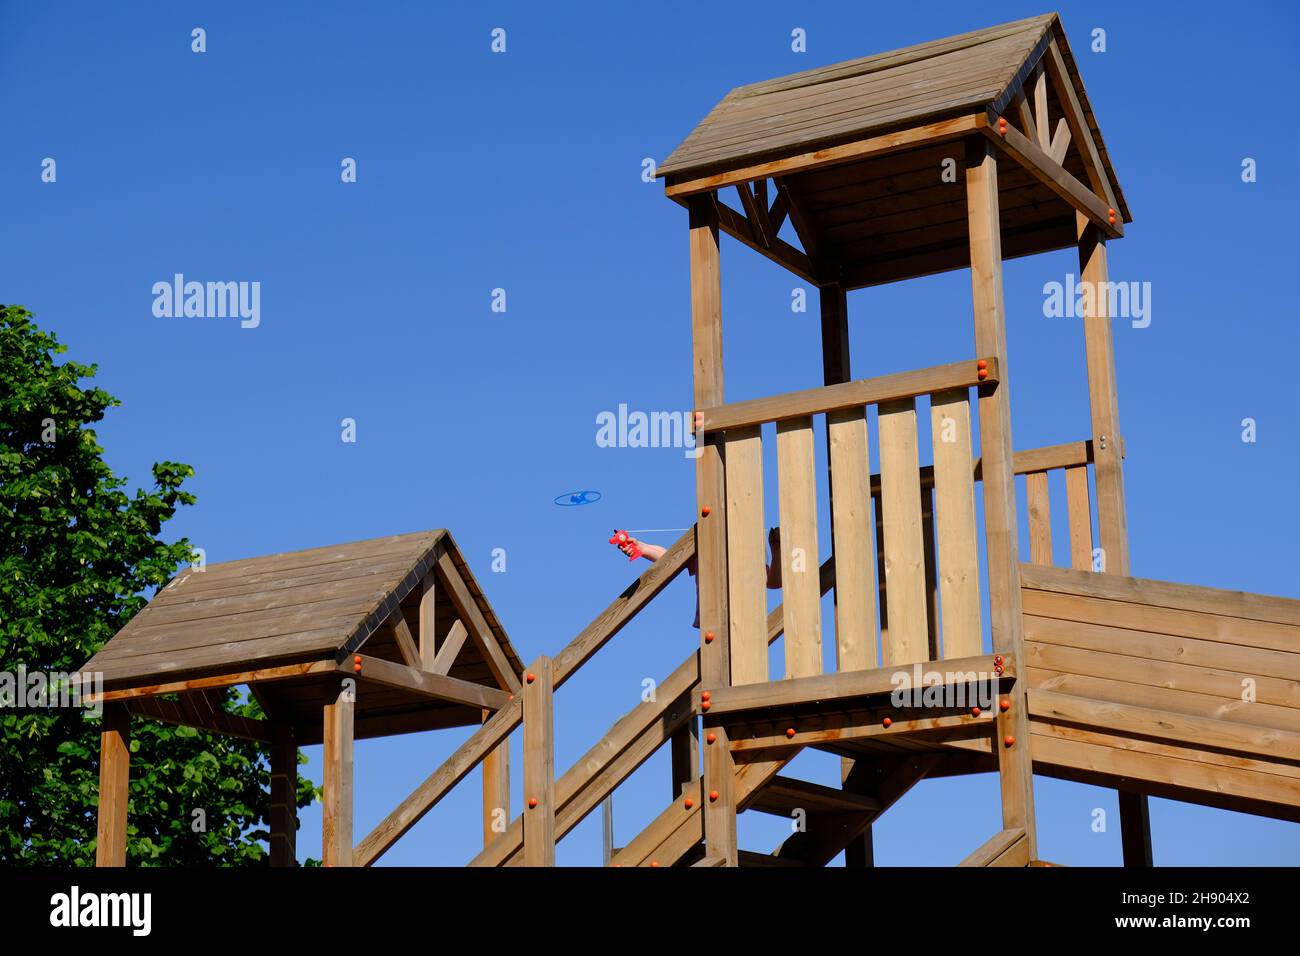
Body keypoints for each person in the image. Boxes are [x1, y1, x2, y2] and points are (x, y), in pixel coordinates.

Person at [616, 527, 782, 628]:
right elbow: (673, 559)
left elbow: (774, 582)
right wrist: (643, 548)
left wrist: (776, 552)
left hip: (746, 621)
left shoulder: (749, 558)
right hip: (713, 622)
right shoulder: (710, 551)